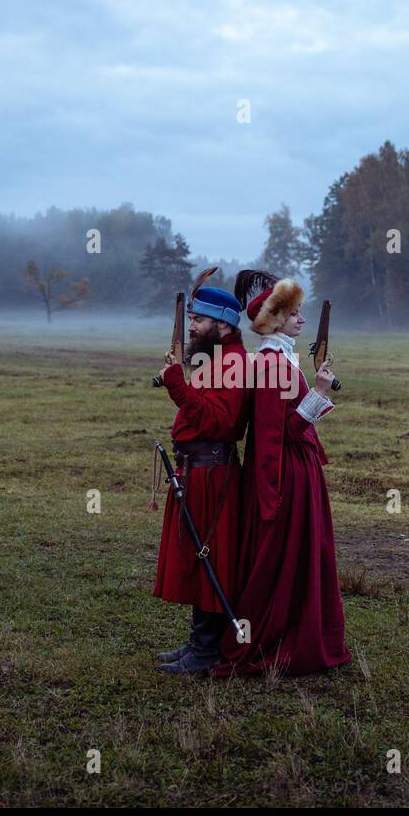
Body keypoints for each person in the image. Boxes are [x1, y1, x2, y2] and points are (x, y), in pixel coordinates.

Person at [215, 275, 351, 677]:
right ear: (273, 321)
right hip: (290, 474)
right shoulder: (273, 364)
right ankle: (282, 638)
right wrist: (319, 393)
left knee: (302, 554)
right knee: (288, 555)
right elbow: (278, 434)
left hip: (299, 469)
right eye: (293, 314)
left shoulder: (281, 359)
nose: (301, 319)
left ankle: (298, 631)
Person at [152, 285, 251, 674]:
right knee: (199, 554)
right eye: (191, 318)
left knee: (212, 557)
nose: (191, 326)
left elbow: (220, 422)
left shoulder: (235, 363)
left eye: (199, 320)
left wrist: (177, 384)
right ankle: (198, 641)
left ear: (223, 325)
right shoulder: (218, 358)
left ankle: (207, 651)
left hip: (214, 474)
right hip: (198, 470)